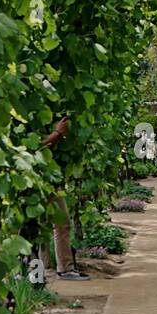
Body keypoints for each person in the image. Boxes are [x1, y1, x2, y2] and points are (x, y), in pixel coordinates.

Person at [41, 115, 89, 281]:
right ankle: (41, 273)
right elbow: (34, 149)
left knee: (61, 222)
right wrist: (57, 134)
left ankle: (64, 269)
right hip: (33, 178)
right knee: (37, 228)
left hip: (51, 177)